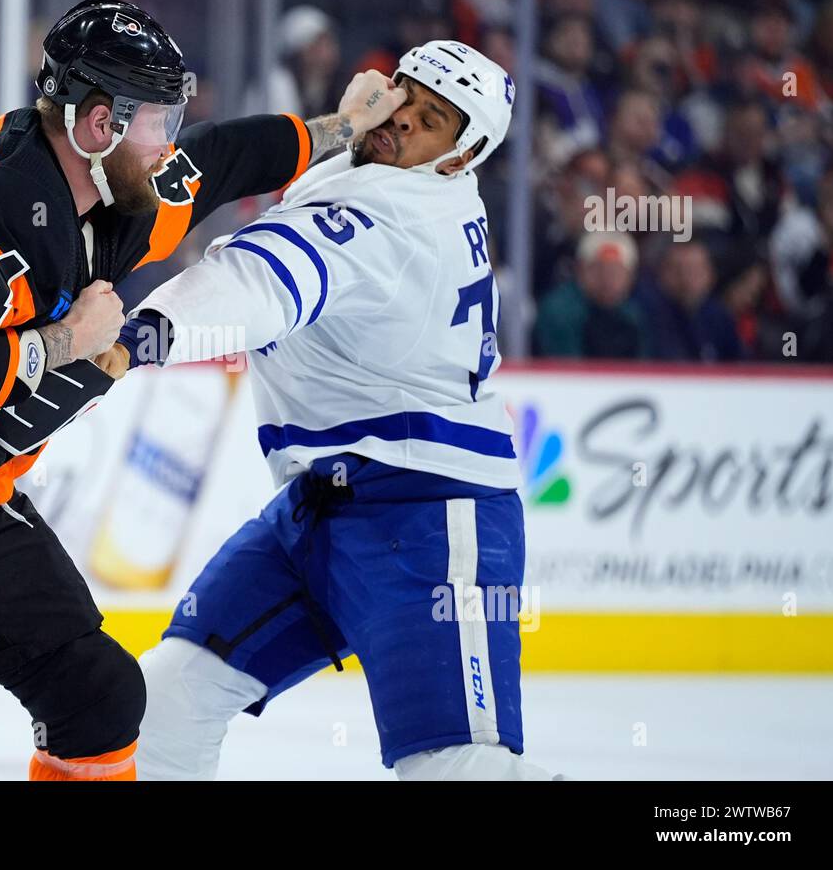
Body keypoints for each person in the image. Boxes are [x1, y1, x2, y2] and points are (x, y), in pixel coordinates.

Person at [0, 0, 401, 781]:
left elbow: (221, 159)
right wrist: (67, 343)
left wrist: (343, 128)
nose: (169, 143)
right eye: (157, 122)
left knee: (97, 695)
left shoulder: (111, 187)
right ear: (99, 123)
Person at [97, 40, 563, 780]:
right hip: (321, 507)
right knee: (168, 703)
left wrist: (130, 341)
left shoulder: (389, 219)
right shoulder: (389, 175)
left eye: (431, 118)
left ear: (459, 157)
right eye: (405, 93)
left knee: (456, 770)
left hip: (429, 515)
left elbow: (254, 285)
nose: (403, 117)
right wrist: (343, 122)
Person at [534, 229, 647, 359]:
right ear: (580, 269)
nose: (607, 278)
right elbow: (566, 370)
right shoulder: (558, 311)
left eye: (616, 271)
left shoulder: (635, 316)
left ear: (631, 276)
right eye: (598, 268)